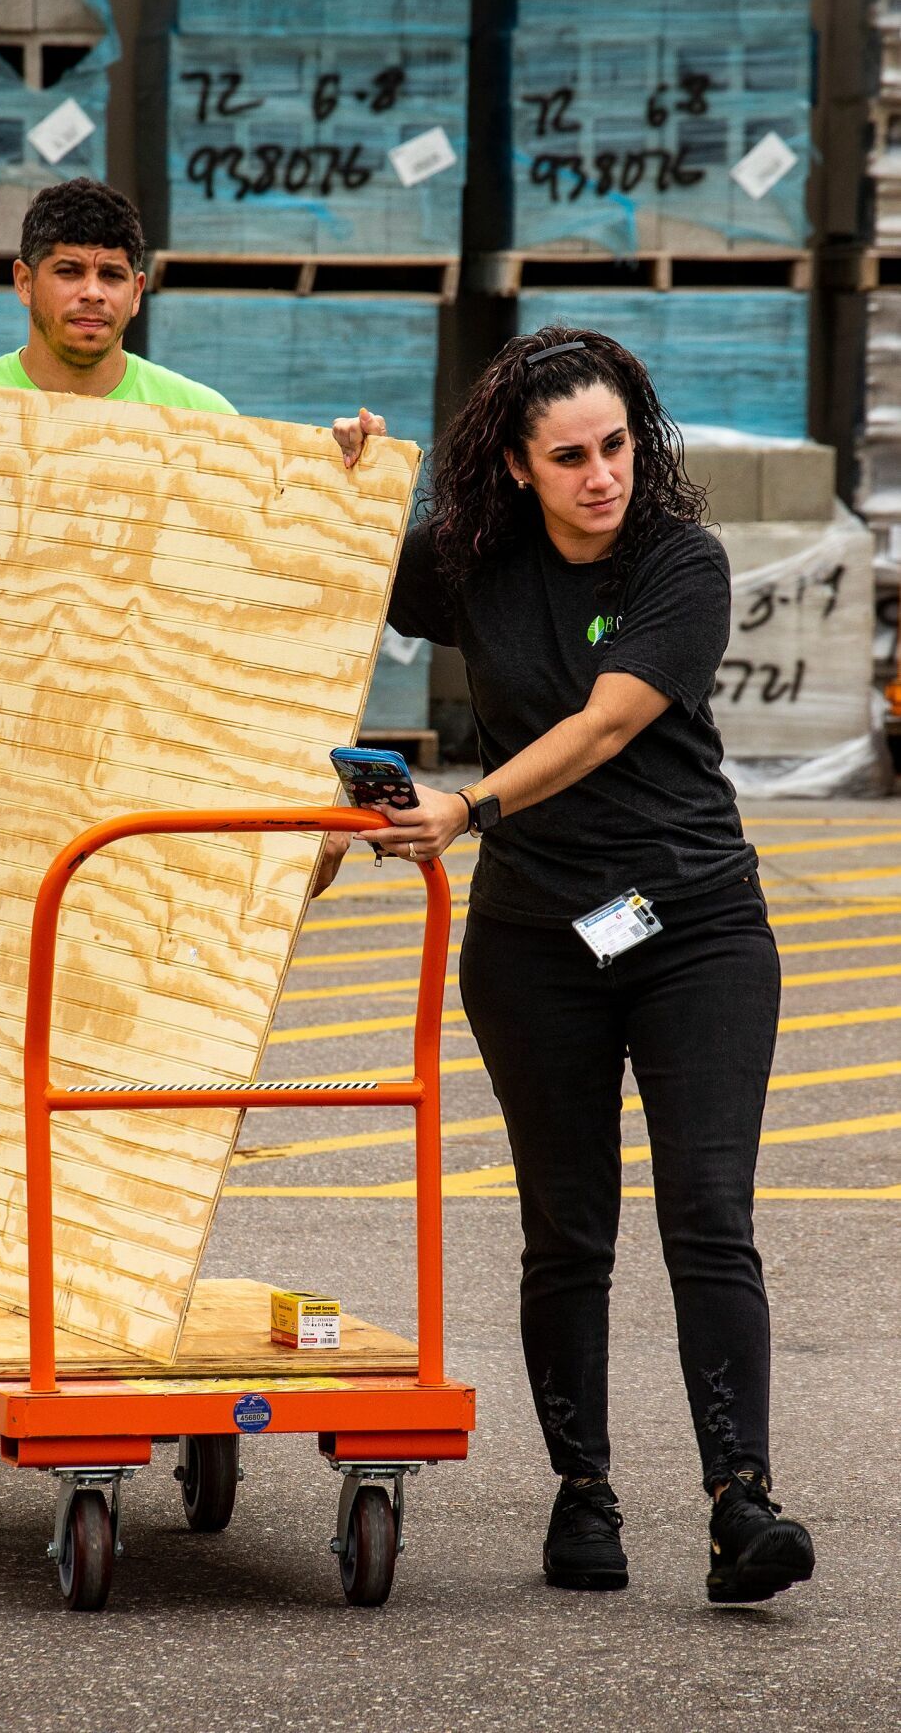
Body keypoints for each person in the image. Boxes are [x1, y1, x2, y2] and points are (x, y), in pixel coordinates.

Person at [330, 328, 815, 1605]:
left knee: (707, 1215)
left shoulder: (679, 560)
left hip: (691, 924)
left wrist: (466, 810)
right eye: (568, 456)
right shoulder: (470, 559)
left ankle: (739, 1503)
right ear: (516, 464)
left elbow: (605, 721)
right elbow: (330, 579)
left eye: (614, 446)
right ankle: (582, 1494)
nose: (600, 474)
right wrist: (347, 480)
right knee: (566, 1230)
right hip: (536, 943)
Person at [0, 175, 374, 890]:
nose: (93, 292)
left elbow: (257, 618)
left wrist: (347, 481)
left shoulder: (201, 419)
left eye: (111, 274)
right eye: (69, 271)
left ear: (137, 292)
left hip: (147, 774)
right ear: (24, 282)